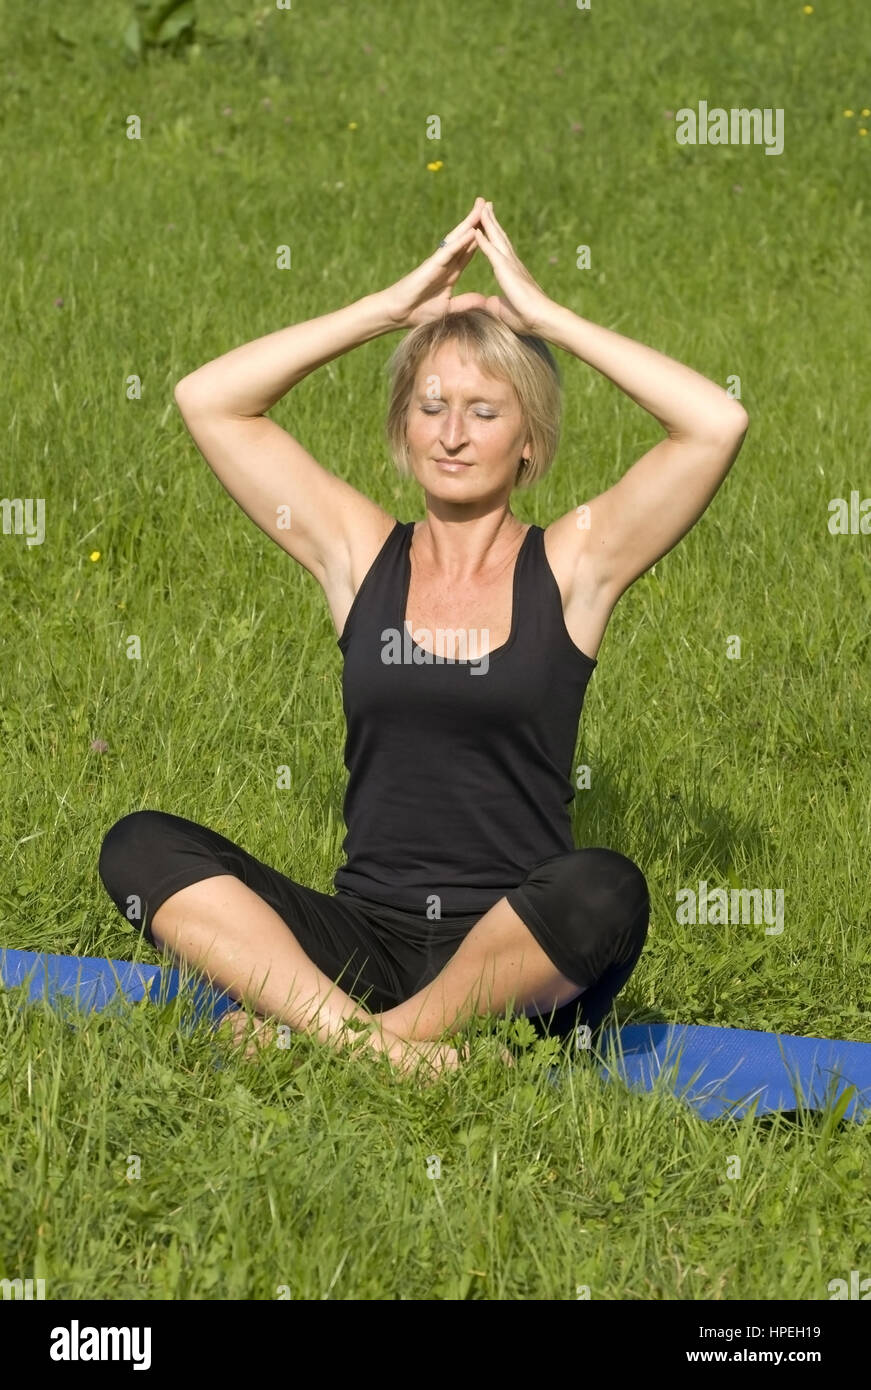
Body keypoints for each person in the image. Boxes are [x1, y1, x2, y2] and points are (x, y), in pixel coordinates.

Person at [98, 196, 748, 1079]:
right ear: (403, 429)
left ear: (528, 444)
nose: (451, 434)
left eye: (484, 413)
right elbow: (209, 401)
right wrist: (390, 311)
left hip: (512, 957)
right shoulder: (360, 555)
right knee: (139, 844)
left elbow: (713, 424)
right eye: (431, 406)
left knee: (605, 888)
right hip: (359, 940)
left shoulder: (572, 566)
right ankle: (384, 1049)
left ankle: (337, 1035)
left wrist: (545, 315)